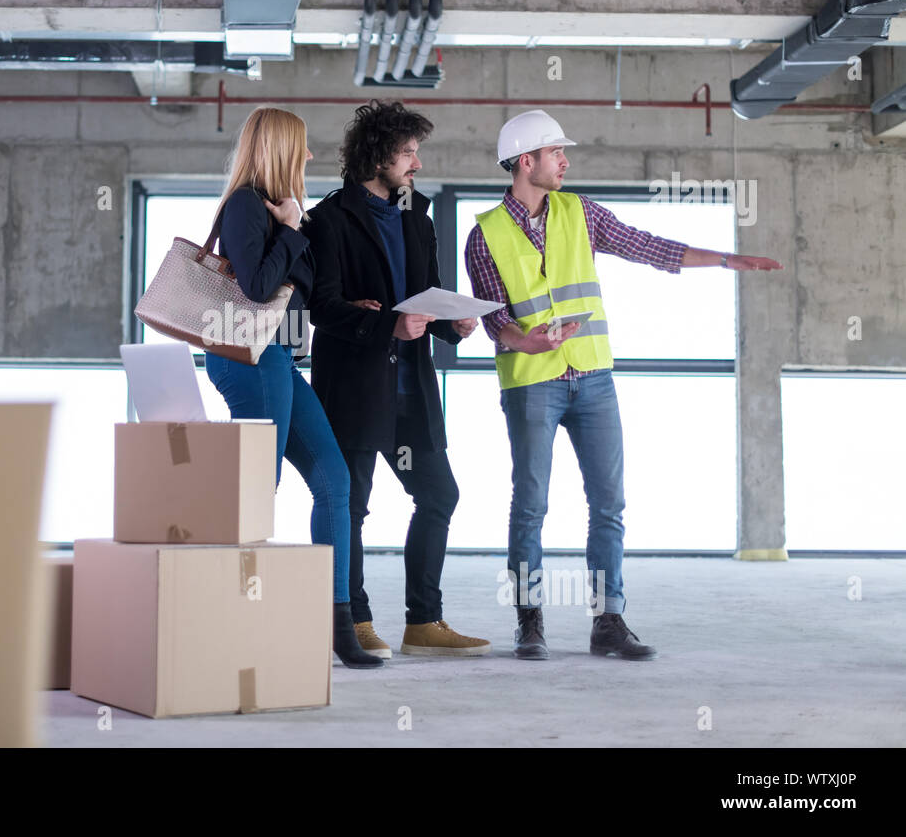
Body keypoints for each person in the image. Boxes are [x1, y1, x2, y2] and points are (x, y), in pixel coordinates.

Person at [465, 109, 783, 660]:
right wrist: (524, 341)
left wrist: (726, 259)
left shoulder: (580, 212)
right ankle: (529, 619)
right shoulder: (485, 234)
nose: (565, 161)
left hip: (593, 379)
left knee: (608, 503)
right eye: (555, 153)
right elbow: (495, 320)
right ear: (525, 162)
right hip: (531, 383)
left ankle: (608, 620)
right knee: (531, 505)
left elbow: (645, 246)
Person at [304, 99, 490, 659]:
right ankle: (352, 621)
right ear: (377, 154)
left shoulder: (416, 214)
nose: (416, 164)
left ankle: (423, 624)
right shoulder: (329, 219)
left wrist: (454, 325)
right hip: (357, 388)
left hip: (411, 386)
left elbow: (426, 295)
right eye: (408, 153)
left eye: (416, 153)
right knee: (352, 506)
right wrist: (388, 324)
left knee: (439, 494)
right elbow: (323, 306)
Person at [204, 106, 382, 669]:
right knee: (260, 490)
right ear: (280, 148)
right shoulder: (245, 207)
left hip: (279, 358)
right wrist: (289, 227)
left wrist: (294, 227)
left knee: (334, 480)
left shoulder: (282, 213)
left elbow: (293, 296)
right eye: (301, 147)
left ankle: (336, 622)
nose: (308, 157)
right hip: (249, 359)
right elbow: (257, 288)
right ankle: (228, 618)